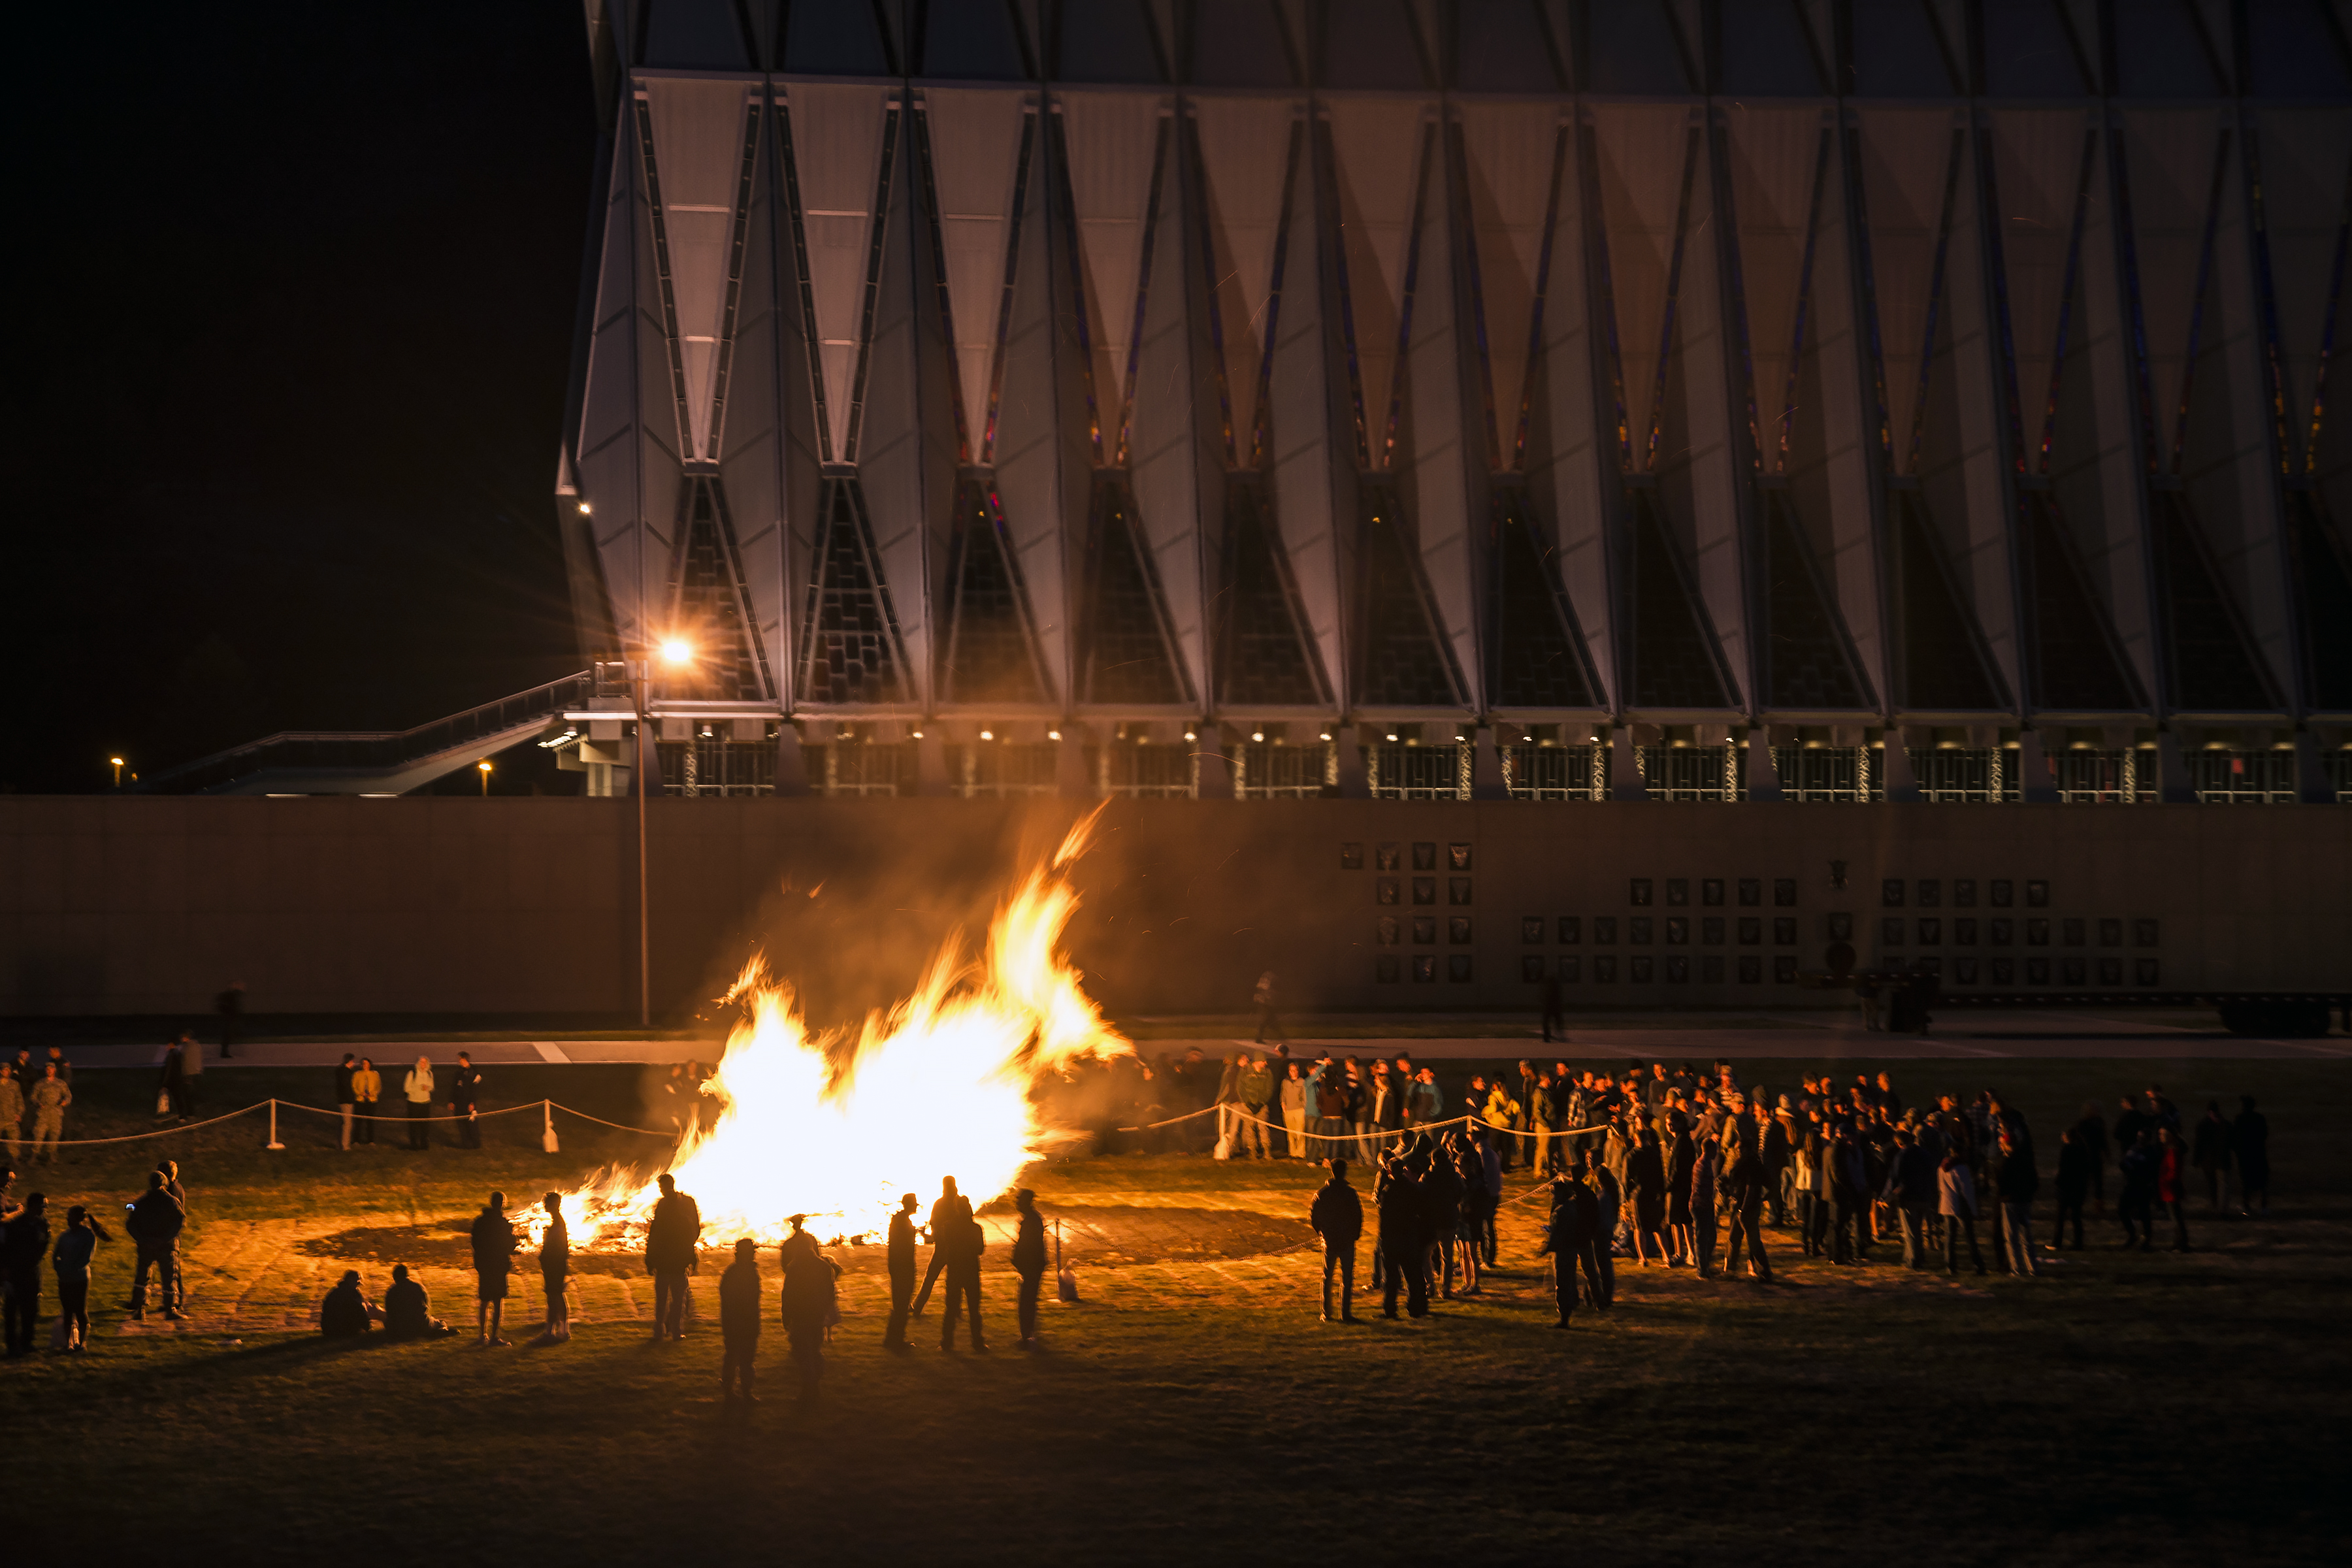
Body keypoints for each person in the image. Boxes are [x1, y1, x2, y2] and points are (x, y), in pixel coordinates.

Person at [780, 1218, 839, 1397]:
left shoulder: (794, 1266)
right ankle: (815, 1379)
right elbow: (830, 1291)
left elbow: (787, 1293)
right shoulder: (822, 1266)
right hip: (816, 1315)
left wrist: (786, 1315)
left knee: (803, 1350)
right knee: (814, 1348)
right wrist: (825, 1310)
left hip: (801, 1315)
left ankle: (810, 1385)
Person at [123, 1170, 184, 1321]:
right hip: (166, 1246)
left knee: (143, 1278)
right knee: (169, 1278)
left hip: (146, 1246)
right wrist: (166, 1238)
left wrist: (142, 1239)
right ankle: (170, 1310)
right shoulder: (171, 1201)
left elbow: (130, 1224)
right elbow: (180, 1221)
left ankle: (140, 1309)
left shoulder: (141, 1202)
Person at [645, 1172, 700, 1340]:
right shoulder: (685, 1216)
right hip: (677, 1265)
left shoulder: (662, 1217)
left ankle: (659, 1331)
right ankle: (676, 1331)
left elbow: (653, 1238)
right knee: (678, 1300)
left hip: (664, 1265)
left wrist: (650, 1261)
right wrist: (691, 1259)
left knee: (662, 1300)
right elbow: (692, 1237)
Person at [1311, 1158, 1363, 1323]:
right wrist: (1355, 1234)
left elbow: (1313, 1216)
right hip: (1347, 1240)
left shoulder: (1323, 1193)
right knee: (1347, 1278)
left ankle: (1326, 1313)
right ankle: (1345, 1313)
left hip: (1330, 1240)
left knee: (1327, 1276)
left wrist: (1322, 1232)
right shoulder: (1350, 1193)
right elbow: (1358, 1215)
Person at [51, 1203, 108, 1350]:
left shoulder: (88, 1236)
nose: (67, 1220)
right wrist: (58, 1268)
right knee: (68, 1311)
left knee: (80, 1310)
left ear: (78, 1219)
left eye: (70, 1217)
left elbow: (86, 1258)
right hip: (65, 1278)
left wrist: (70, 1269)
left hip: (79, 1279)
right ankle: (67, 1343)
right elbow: (56, 1254)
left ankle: (81, 1343)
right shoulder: (65, 1236)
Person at [938, 1187, 987, 1352]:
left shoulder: (949, 1226)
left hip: (955, 1271)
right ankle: (977, 1342)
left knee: (951, 1308)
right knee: (974, 1309)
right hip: (971, 1270)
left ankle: (947, 1343)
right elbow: (980, 1250)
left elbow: (946, 1246)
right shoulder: (976, 1228)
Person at [2, 1192, 48, 1354]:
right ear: (33, 1206)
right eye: (42, 1206)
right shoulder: (15, 1225)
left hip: (32, 1272)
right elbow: (5, 1249)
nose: (44, 1209)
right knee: (12, 1310)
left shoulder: (42, 1225)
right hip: (15, 1273)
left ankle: (27, 1342)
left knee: (31, 1309)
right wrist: (5, 1271)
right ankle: (12, 1346)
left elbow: (43, 1245)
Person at [470, 1190, 517, 1345]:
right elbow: (509, 1246)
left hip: (484, 1266)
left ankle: (481, 1335)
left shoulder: (480, 1222)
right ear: (502, 1204)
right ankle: (494, 1337)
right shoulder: (503, 1224)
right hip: (498, 1266)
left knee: (484, 1301)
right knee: (497, 1302)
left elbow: (475, 1243)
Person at [913, 1175, 965, 1313]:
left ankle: (918, 1307)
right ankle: (956, 1309)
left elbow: (934, 1223)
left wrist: (929, 1235)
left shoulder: (940, 1203)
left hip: (942, 1247)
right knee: (955, 1280)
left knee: (930, 1278)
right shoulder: (960, 1202)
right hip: (957, 1248)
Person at [719, 1236, 762, 1402]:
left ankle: (732, 1391)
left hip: (734, 1323)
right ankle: (743, 1392)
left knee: (733, 1357)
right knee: (744, 1359)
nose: (754, 1254)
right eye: (752, 1252)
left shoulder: (732, 1272)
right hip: (744, 1323)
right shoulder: (747, 1273)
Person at [1995, 1128, 2038, 1276]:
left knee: (2011, 1237)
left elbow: (2001, 1183)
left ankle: (2016, 1269)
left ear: (2006, 1145)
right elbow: (2034, 1181)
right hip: (2025, 1201)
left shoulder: (2005, 1162)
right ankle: (2033, 1268)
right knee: (2027, 1237)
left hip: (2010, 1202)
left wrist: (2003, 1196)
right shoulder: (2026, 1159)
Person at [1938, 1148, 1986, 1275]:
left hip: (1946, 1205)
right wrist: (1974, 1209)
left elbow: (1940, 1187)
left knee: (1949, 1238)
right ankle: (1978, 1265)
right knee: (1970, 1237)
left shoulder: (1942, 1168)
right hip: (1961, 1206)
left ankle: (1950, 1266)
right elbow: (1967, 1191)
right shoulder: (1961, 1169)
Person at [1012, 1189, 1047, 1348]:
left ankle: (1027, 1336)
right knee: (1029, 1301)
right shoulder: (1033, 1219)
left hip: (1031, 1267)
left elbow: (1028, 1246)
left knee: (1027, 1302)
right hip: (1032, 1266)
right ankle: (1028, 1334)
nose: (1017, 1204)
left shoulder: (1031, 1221)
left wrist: (1018, 1259)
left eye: (1019, 1201)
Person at [884, 1192, 919, 1350]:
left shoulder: (898, 1220)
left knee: (900, 1304)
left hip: (897, 1266)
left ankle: (892, 1338)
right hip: (903, 1267)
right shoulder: (903, 1222)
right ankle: (896, 1340)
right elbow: (905, 1246)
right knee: (902, 1304)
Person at [382, 1263, 455, 1338]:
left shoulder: (391, 1292)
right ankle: (442, 1330)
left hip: (399, 1328)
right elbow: (427, 1306)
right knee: (440, 1322)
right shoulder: (418, 1287)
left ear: (395, 1277)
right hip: (421, 1325)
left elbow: (390, 1313)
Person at [2055, 1127, 2095, 1249]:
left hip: (2067, 1187)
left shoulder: (2067, 1150)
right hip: (2079, 1188)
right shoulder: (2083, 1150)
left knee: (2061, 1216)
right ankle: (2078, 1243)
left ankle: (2057, 1243)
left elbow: (2063, 1169)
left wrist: (2058, 1182)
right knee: (2076, 1217)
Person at [538, 1192, 571, 1341]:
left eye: (547, 1202)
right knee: (555, 1297)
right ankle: (556, 1331)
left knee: (555, 1297)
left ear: (554, 1205)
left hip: (555, 1266)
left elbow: (556, 1248)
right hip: (555, 1266)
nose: (545, 1205)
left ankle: (556, 1332)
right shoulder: (557, 1223)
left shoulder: (558, 1224)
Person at [2155, 1125, 2191, 1252]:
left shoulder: (2172, 1151)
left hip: (2171, 1190)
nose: (2160, 1137)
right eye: (2159, 1134)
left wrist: (2164, 1181)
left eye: (2163, 1134)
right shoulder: (2170, 1150)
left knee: (2176, 1219)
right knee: (2176, 1218)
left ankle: (2182, 1244)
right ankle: (2179, 1243)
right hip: (2170, 1190)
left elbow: (2173, 1172)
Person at [2191, 1101, 2232, 1213]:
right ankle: (2222, 1209)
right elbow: (2232, 1143)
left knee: (2212, 1184)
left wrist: (2196, 1160)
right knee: (2223, 1186)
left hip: (2208, 1160)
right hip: (2222, 1160)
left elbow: (2199, 1144)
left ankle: (2216, 1205)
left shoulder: (2203, 1125)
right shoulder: (2226, 1125)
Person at [27, 1063, 69, 1164]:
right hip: (43, 1114)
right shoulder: (40, 1084)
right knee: (39, 1135)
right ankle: (34, 1156)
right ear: (46, 1071)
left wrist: (65, 1102)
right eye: (47, 1069)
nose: (49, 1071)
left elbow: (68, 1096)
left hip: (56, 1114)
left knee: (54, 1136)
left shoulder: (61, 1083)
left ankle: (52, 1157)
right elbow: (33, 1097)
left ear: (55, 1070)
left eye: (51, 1069)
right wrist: (38, 1103)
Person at [2233, 1096, 2269, 1215]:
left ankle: (2246, 1206)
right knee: (2262, 1181)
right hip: (2258, 1153)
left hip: (2245, 1155)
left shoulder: (2239, 1119)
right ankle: (2263, 1207)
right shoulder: (2260, 1118)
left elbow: (2236, 1138)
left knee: (2246, 1182)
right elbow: (2264, 1134)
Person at [319, 1270, 379, 1337]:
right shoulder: (353, 1294)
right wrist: (368, 1329)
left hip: (329, 1330)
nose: (359, 1283)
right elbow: (361, 1312)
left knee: (365, 1304)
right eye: (357, 1280)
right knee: (370, 1307)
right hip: (345, 1331)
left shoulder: (335, 1292)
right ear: (351, 1280)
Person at [1234, 1054, 1271, 1160]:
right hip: (1247, 1106)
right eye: (1264, 1061)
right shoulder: (1245, 1071)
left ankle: (1267, 1151)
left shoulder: (1267, 1073)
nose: (1266, 1064)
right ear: (1258, 1061)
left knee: (1264, 1129)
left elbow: (1269, 1088)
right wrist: (1247, 1102)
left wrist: (1262, 1102)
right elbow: (1240, 1087)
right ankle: (1252, 1151)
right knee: (1249, 1129)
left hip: (1262, 1106)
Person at [449, 1053, 483, 1150]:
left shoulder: (475, 1072)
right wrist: (452, 1101)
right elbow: (454, 1088)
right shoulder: (458, 1072)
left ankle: (476, 1144)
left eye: (460, 1059)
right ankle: (465, 1144)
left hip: (469, 1103)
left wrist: (472, 1103)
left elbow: (475, 1089)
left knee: (472, 1124)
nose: (459, 1061)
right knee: (461, 1124)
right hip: (459, 1103)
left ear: (465, 1059)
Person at [402, 1056, 434, 1150]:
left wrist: (427, 1088)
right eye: (421, 1062)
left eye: (425, 1063)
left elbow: (432, 1087)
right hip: (414, 1102)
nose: (423, 1065)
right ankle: (414, 1145)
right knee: (414, 1125)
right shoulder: (412, 1073)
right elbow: (406, 1088)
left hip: (426, 1102)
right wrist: (418, 1089)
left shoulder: (429, 1073)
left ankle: (424, 1144)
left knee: (425, 1125)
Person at [1279, 1063, 1309, 1160]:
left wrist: (1304, 1107)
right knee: (1290, 1133)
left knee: (1300, 1132)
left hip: (1299, 1110)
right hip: (1288, 1110)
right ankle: (1292, 1152)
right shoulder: (1285, 1082)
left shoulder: (1302, 1082)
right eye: (1291, 1070)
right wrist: (1283, 1103)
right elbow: (1283, 1094)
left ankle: (1300, 1153)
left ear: (1298, 1071)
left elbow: (1304, 1096)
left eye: (1295, 1070)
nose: (1293, 1072)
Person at [351, 1056, 380, 1145]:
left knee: (370, 1121)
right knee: (358, 1121)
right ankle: (357, 1140)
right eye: (363, 1064)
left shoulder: (375, 1074)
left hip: (372, 1100)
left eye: (367, 1064)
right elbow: (354, 1086)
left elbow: (378, 1086)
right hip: (360, 1100)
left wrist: (373, 1093)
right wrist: (360, 1093)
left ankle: (371, 1140)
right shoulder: (357, 1074)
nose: (365, 1065)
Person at [159, 1037, 188, 1123]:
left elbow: (169, 1070)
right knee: (179, 1098)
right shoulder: (178, 1054)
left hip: (173, 1081)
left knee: (177, 1098)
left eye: (168, 1045)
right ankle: (181, 1115)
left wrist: (164, 1084)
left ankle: (182, 1116)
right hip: (178, 1079)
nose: (166, 1047)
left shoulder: (171, 1055)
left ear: (171, 1044)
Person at [1252, 970, 1285, 1045]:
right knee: (1265, 1020)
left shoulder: (1263, 980)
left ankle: (1280, 1034)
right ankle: (1259, 1038)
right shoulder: (1268, 980)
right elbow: (1266, 992)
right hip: (1265, 1003)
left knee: (1271, 1018)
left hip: (1264, 1002)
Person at [216, 979, 245, 1058]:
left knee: (228, 1034)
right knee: (227, 1035)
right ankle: (224, 1052)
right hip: (228, 1018)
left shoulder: (231, 995)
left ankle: (224, 1051)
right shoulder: (228, 995)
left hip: (230, 1017)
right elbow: (221, 1004)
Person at [334, 1053, 358, 1150]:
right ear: (350, 1061)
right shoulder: (347, 1073)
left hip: (341, 1100)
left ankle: (339, 1143)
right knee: (347, 1124)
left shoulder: (340, 1071)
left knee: (342, 1123)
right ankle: (345, 1145)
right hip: (346, 1101)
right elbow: (347, 1087)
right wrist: (352, 1099)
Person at [177, 1030, 203, 1115]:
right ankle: (194, 1109)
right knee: (193, 1093)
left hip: (188, 1073)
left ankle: (191, 1112)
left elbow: (183, 1060)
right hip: (197, 1072)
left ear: (185, 1038)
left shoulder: (186, 1048)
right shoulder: (197, 1045)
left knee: (187, 1094)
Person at [1540, 967, 1565, 1044]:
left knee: (1546, 1022)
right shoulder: (1555, 986)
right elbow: (1559, 996)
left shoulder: (1547, 986)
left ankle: (1547, 1036)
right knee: (1557, 1021)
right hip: (1554, 1006)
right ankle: (1558, 1035)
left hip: (1548, 1006)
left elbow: (1542, 995)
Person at [0, 1064, 20, 1162]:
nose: (6, 1072)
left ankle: (14, 1158)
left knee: (14, 1138)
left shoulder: (14, 1084)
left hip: (11, 1116)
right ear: (1, 1071)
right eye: (4, 1070)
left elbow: (19, 1100)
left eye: (8, 1070)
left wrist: (19, 1113)